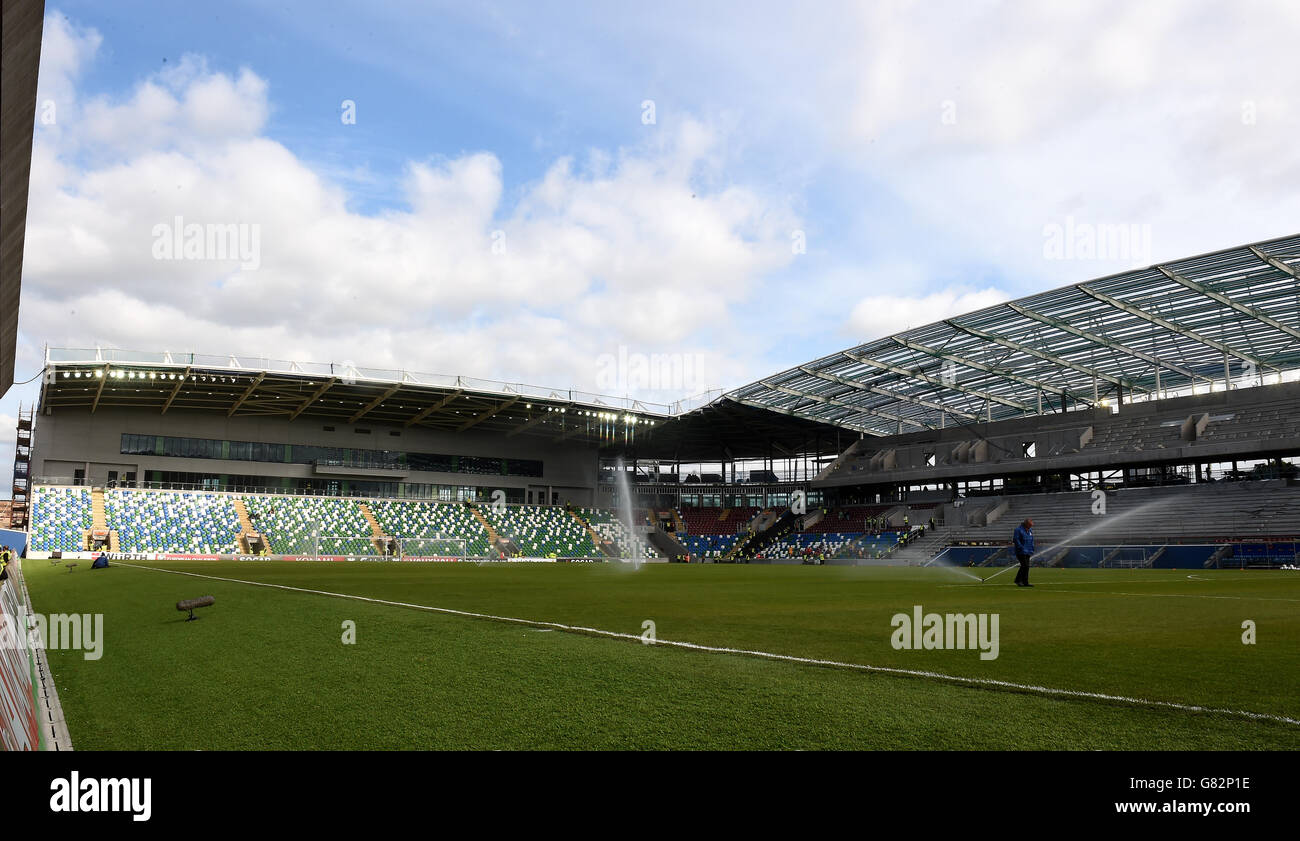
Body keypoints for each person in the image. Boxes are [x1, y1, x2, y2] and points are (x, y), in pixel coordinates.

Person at [1012, 518, 1035, 587]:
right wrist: (1021, 548)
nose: (1031, 526)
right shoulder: (1018, 530)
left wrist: (1032, 548)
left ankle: (1025, 582)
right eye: (1030, 525)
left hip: (1028, 551)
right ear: (1026, 524)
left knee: (1026, 567)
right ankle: (1018, 580)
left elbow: (1031, 540)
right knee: (1024, 565)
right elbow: (1016, 539)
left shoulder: (1030, 531)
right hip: (1020, 552)